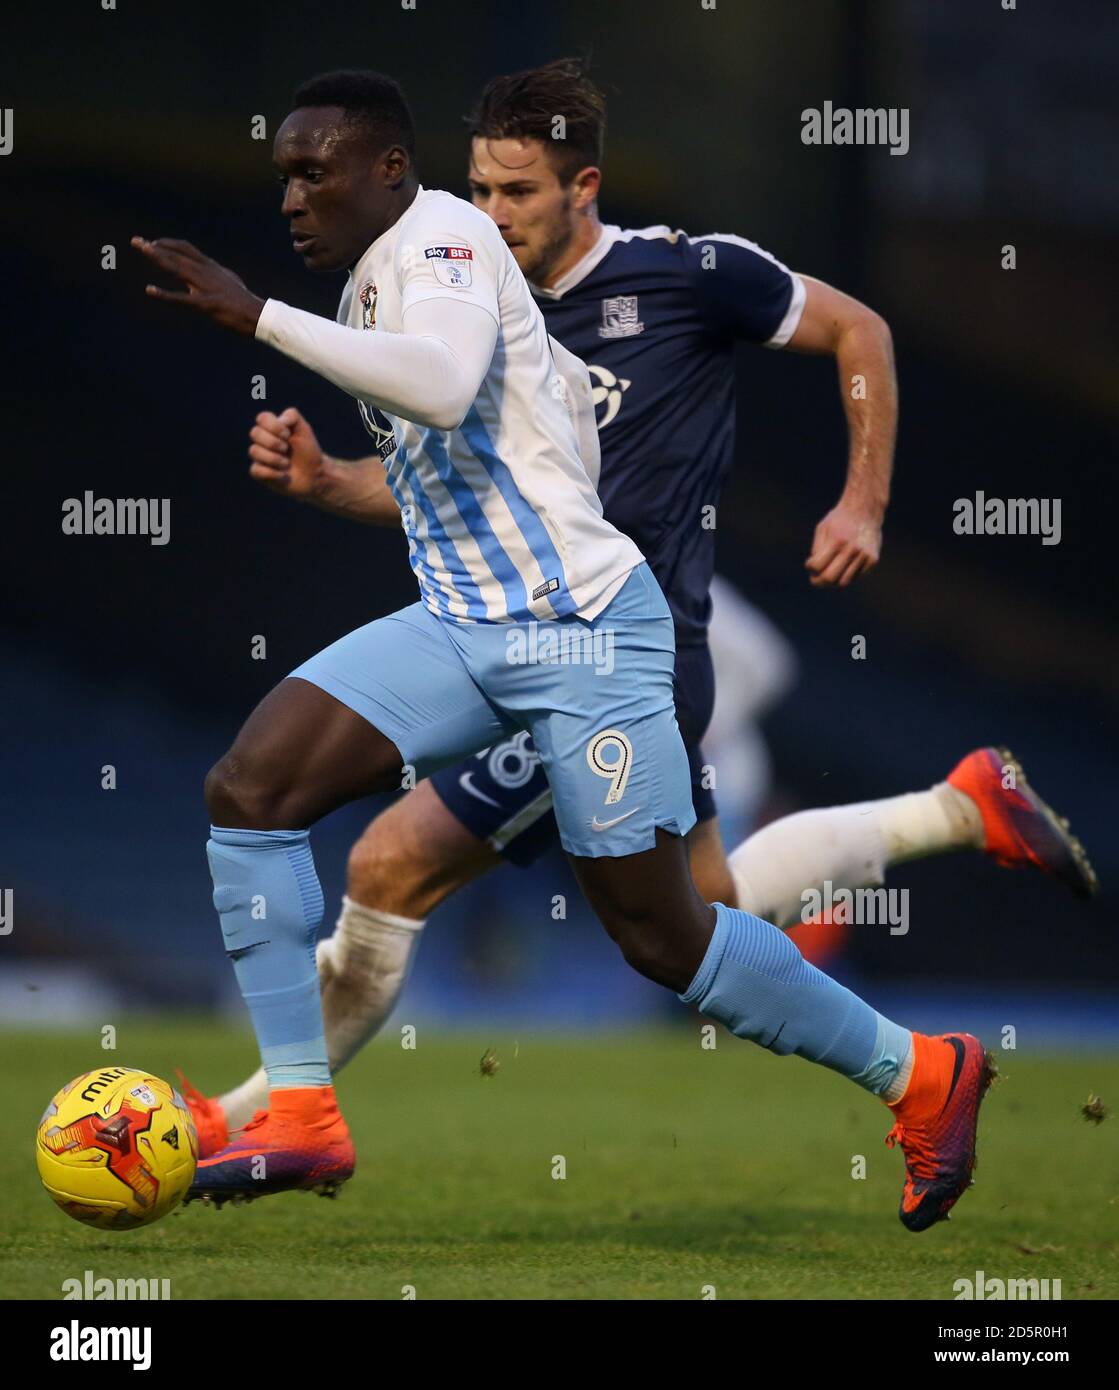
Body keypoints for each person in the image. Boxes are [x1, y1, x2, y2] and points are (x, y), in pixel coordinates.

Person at [134, 67, 1088, 1233]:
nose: (496, 208)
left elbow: (444, 387)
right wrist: (331, 477)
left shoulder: (483, 257)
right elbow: (458, 453)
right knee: (253, 786)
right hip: (471, 623)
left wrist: (863, 503)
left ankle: (922, 1070)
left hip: (593, 634)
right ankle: (292, 1109)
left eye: (310, 172)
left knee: (660, 932)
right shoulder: (389, 281)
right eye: (281, 174)